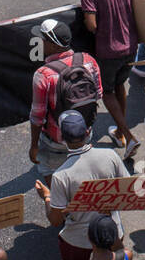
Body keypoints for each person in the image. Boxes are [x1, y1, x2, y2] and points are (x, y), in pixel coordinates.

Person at [34, 110, 139, 260]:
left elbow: (55, 220)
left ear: (62, 138)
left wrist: (47, 197)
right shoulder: (110, 155)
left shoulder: (62, 176)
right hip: (112, 234)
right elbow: (127, 190)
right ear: (88, 132)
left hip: (78, 241)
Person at [80, 0, 143, 156]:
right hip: (131, 47)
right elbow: (141, 0)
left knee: (106, 92)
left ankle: (129, 135)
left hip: (108, 51)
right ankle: (120, 133)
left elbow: (92, 25)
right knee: (119, 86)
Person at [28, 19, 103, 182]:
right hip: (84, 134)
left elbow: (37, 117)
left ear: (54, 45)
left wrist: (34, 146)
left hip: (56, 141)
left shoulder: (43, 74)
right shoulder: (89, 61)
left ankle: (59, 205)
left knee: (50, 171)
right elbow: (98, 95)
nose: (40, 42)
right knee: (81, 171)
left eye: (43, 39)